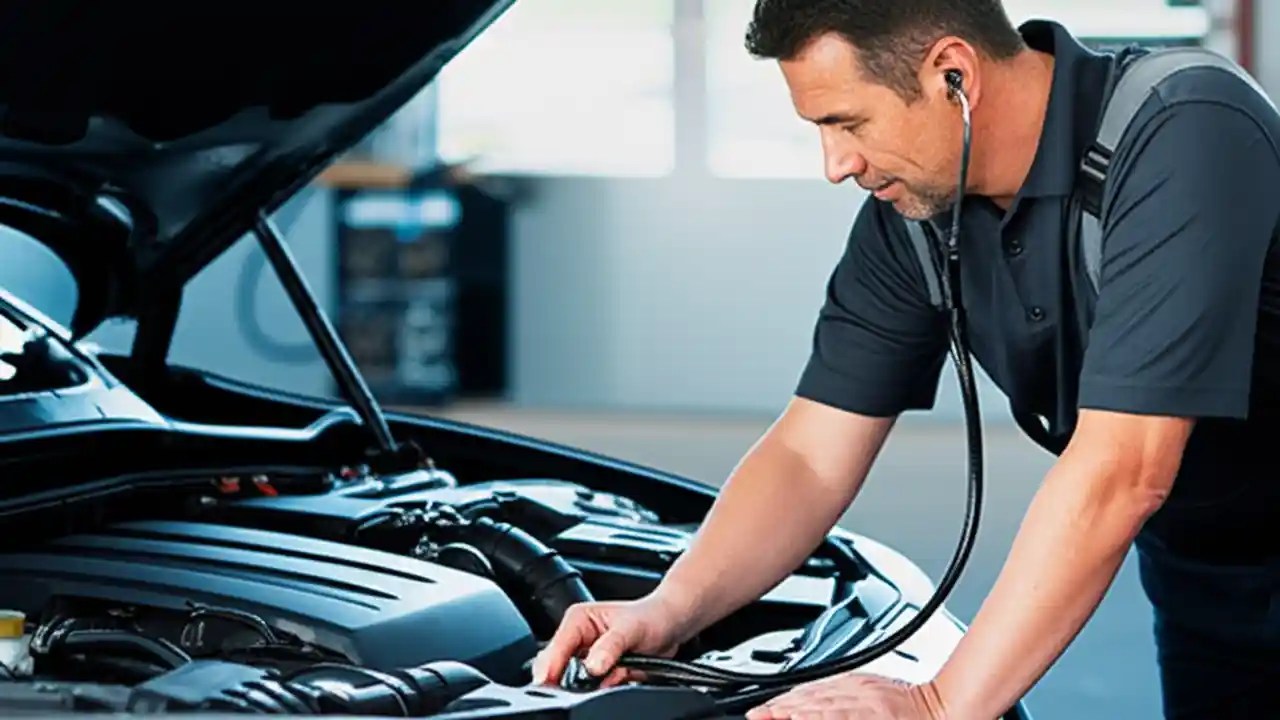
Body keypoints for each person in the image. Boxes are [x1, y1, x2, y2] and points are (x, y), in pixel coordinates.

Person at [531, 1, 1280, 717]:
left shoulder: (1184, 129)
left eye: (846, 121)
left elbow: (1123, 468)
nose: (836, 163)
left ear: (952, 73)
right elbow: (809, 451)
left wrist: (940, 703)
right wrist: (667, 608)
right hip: (1206, 572)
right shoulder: (916, 219)